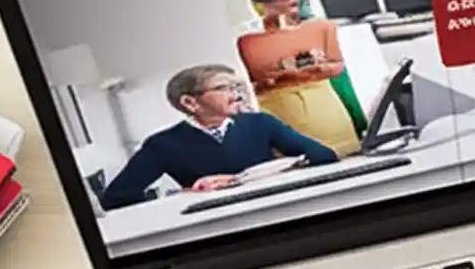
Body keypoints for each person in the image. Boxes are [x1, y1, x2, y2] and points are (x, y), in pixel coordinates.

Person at [99, 64, 338, 211]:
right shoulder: (162, 144)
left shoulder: (261, 122)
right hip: (218, 227)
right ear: (190, 102)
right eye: (224, 88)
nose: (236, 95)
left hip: (277, 210)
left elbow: (325, 156)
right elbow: (116, 199)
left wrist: (243, 178)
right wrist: (182, 194)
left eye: (236, 88)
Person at [238, 0, 363, 158]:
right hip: (281, 113)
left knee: (345, 156)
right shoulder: (248, 42)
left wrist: (319, 66)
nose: (298, 0)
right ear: (267, 0)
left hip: (324, 107)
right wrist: (282, 71)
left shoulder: (322, 27)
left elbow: (338, 66)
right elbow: (255, 84)